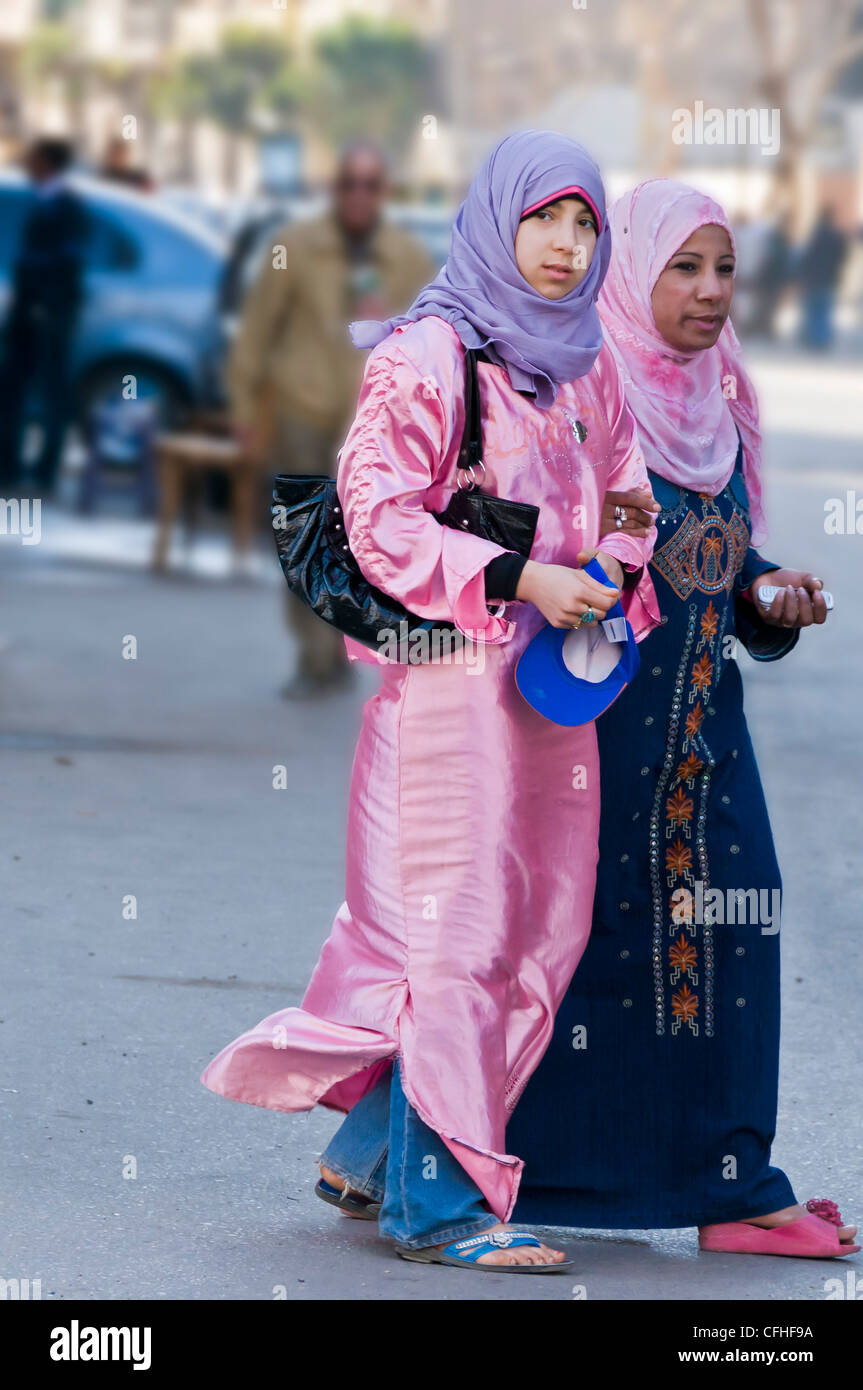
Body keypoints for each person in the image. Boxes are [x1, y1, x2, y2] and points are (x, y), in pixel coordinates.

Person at [201, 131, 659, 1273]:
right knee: (456, 934)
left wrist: (610, 561)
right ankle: (438, 1199)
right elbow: (378, 516)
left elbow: (629, 491)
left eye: (582, 225)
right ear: (494, 219)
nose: (561, 247)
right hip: (452, 696)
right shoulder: (426, 356)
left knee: (543, 931)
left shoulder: (586, 360)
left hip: (553, 695)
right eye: (541, 219)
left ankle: (372, 1148)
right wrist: (515, 574)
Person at [508, 179, 858, 1259]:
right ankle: (445, 1156)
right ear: (632, 273)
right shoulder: (587, 395)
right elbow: (551, 556)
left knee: (733, 935)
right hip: (593, 735)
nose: (709, 294)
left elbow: (723, 562)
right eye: (683, 268)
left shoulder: (719, 395)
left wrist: (766, 596)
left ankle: (732, 1186)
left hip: (704, 738)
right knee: (565, 954)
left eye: (723, 271)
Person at [227, 142, 433, 698]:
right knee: (303, 534)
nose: (359, 195)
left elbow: (428, 340)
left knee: (358, 541)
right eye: (349, 183)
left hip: (372, 420)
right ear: (334, 188)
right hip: (302, 410)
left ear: (383, 192)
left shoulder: (407, 257)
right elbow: (256, 330)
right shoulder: (293, 248)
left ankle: (341, 645)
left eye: (371, 185)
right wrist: (244, 409)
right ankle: (314, 658)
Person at [0, 137, 87, 498]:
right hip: (30, 313)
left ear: (48, 163)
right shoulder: (43, 202)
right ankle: (11, 465)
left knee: (50, 393)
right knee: (13, 389)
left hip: (50, 313)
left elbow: (68, 261)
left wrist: (32, 276)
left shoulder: (67, 206)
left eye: (33, 158)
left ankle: (44, 470)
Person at [796, 205, 848, 352]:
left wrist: (802, 274)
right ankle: (821, 339)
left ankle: (812, 338)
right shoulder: (837, 237)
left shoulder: (817, 235)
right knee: (824, 310)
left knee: (812, 308)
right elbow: (842, 258)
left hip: (814, 278)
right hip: (829, 278)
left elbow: (808, 257)